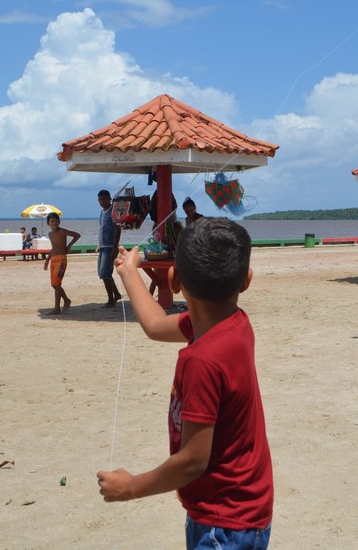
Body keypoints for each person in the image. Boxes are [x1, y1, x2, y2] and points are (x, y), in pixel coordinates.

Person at [98, 218, 273, 548]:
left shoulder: (202, 360)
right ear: (245, 281)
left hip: (223, 523)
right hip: (244, 507)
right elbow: (155, 323)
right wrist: (130, 272)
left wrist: (130, 487)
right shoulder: (233, 323)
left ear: (173, 280)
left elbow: (193, 461)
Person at [43, 212, 80, 315]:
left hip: (61, 260)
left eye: (56, 220)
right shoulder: (50, 234)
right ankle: (56, 308)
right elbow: (54, 248)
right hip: (54, 259)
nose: (54, 223)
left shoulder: (62, 231)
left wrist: (69, 246)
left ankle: (67, 300)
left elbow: (77, 235)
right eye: (51, 221)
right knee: (57, 284)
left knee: (54, 284)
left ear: (59, 222)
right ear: (48, 223)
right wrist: (47, 260)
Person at [97, 190, 123, 307]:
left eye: (104, 199)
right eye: (100, 199)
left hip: (109, 247)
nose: (102, 201)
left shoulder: (113, 212)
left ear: (109, 199)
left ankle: (111, 300)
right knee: (103, 273)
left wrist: (114, 248)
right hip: (103, 246)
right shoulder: (102, 213)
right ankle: (116, 294)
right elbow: (102, 229)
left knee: (105, 273)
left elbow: (117, 230)